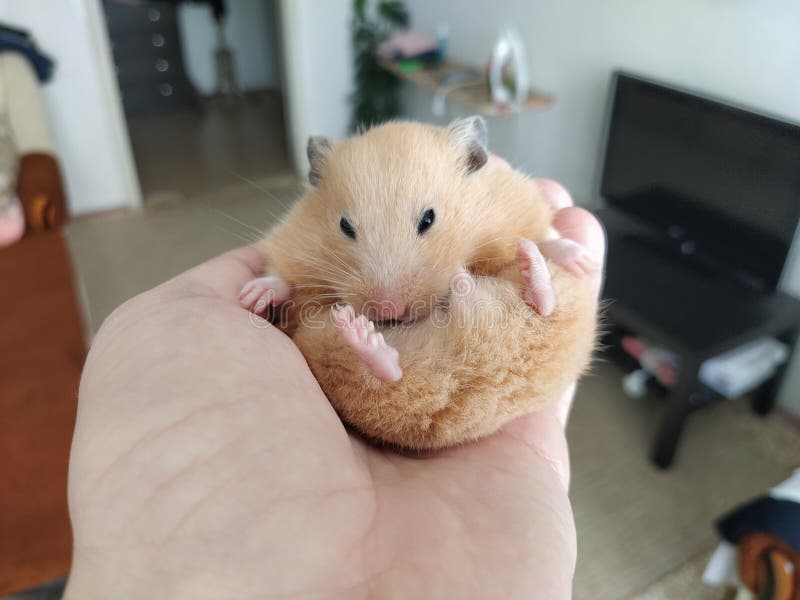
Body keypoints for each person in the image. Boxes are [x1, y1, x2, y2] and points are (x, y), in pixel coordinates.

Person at [64, 179, 605, 599]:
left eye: (425, 222)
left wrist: (548, 245)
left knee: (554, 328)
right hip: (423, 382)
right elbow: (289, 254)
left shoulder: (486, 200)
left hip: (457, 366)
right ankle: (430, 344)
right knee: (333, 353)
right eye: (350, 230)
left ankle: (412, 350)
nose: (392, 297)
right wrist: (281, 283)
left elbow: (521, 218)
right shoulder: (316, 223)